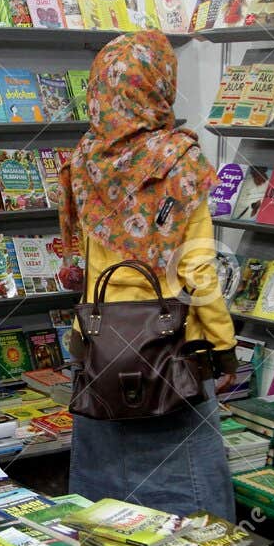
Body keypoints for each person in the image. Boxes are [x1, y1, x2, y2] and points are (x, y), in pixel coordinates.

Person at [58, 30, 238, 521]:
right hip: (169, 350)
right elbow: (198, 267)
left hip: (97, 349)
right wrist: (223, 349)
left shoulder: (86, 160)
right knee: (190, 507)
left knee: (102, 505)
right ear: (158, 83)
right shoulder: (181, 162)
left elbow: (88, 259)